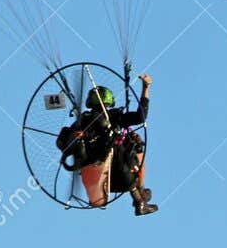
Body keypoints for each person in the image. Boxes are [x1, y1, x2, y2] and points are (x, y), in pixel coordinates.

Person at [56, 73, 156, 215]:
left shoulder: (82, 121)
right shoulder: (114, 117)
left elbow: (65, 143)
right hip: (120, 174)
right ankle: (139, 199)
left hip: (101, 177)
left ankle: (140, 196)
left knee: (133, 146)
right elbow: (141, 117)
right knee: (134, 150)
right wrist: (146, 88)